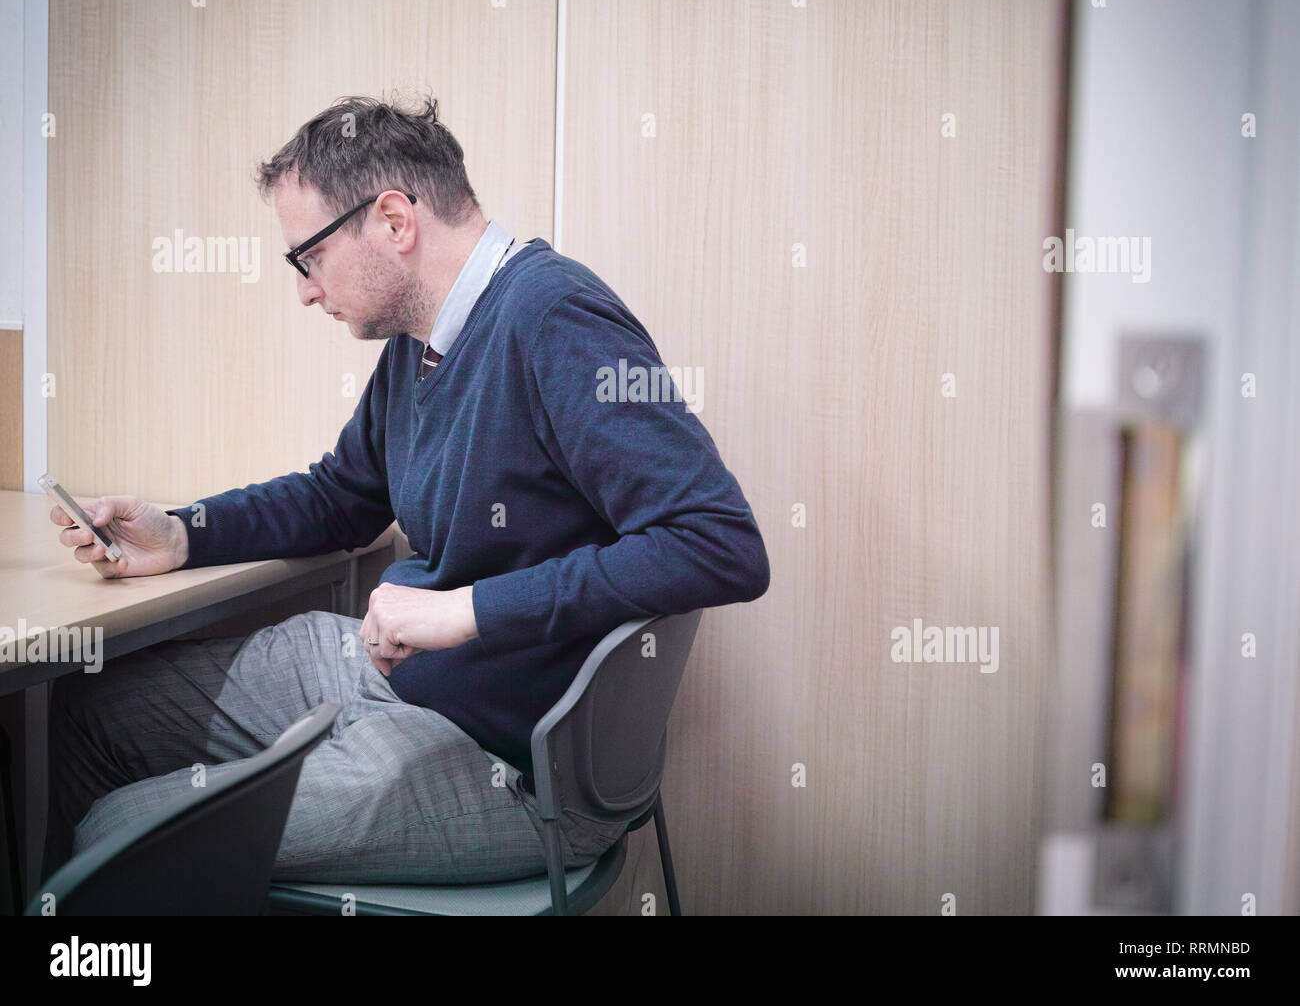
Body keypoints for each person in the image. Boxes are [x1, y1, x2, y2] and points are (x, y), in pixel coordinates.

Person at [41, 94, 769, 888]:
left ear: (393, 220)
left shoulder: (556, 318)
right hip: (388, 674)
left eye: (306, 257)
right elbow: (340, 497)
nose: (305, 292)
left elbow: (718, 543)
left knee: (121, 833)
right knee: (94, 709)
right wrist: (184, 533)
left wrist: (468, 611)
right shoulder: (422, 342)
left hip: (504, 761)